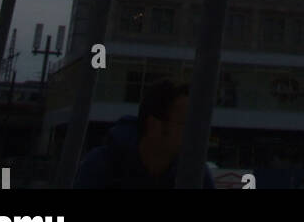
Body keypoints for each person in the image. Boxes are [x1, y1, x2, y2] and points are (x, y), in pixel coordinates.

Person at [73, 78, 215, 188]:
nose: (197, 134)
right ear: (154, 126)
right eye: (187, 125)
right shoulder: (101, 167)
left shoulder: (196, 174)